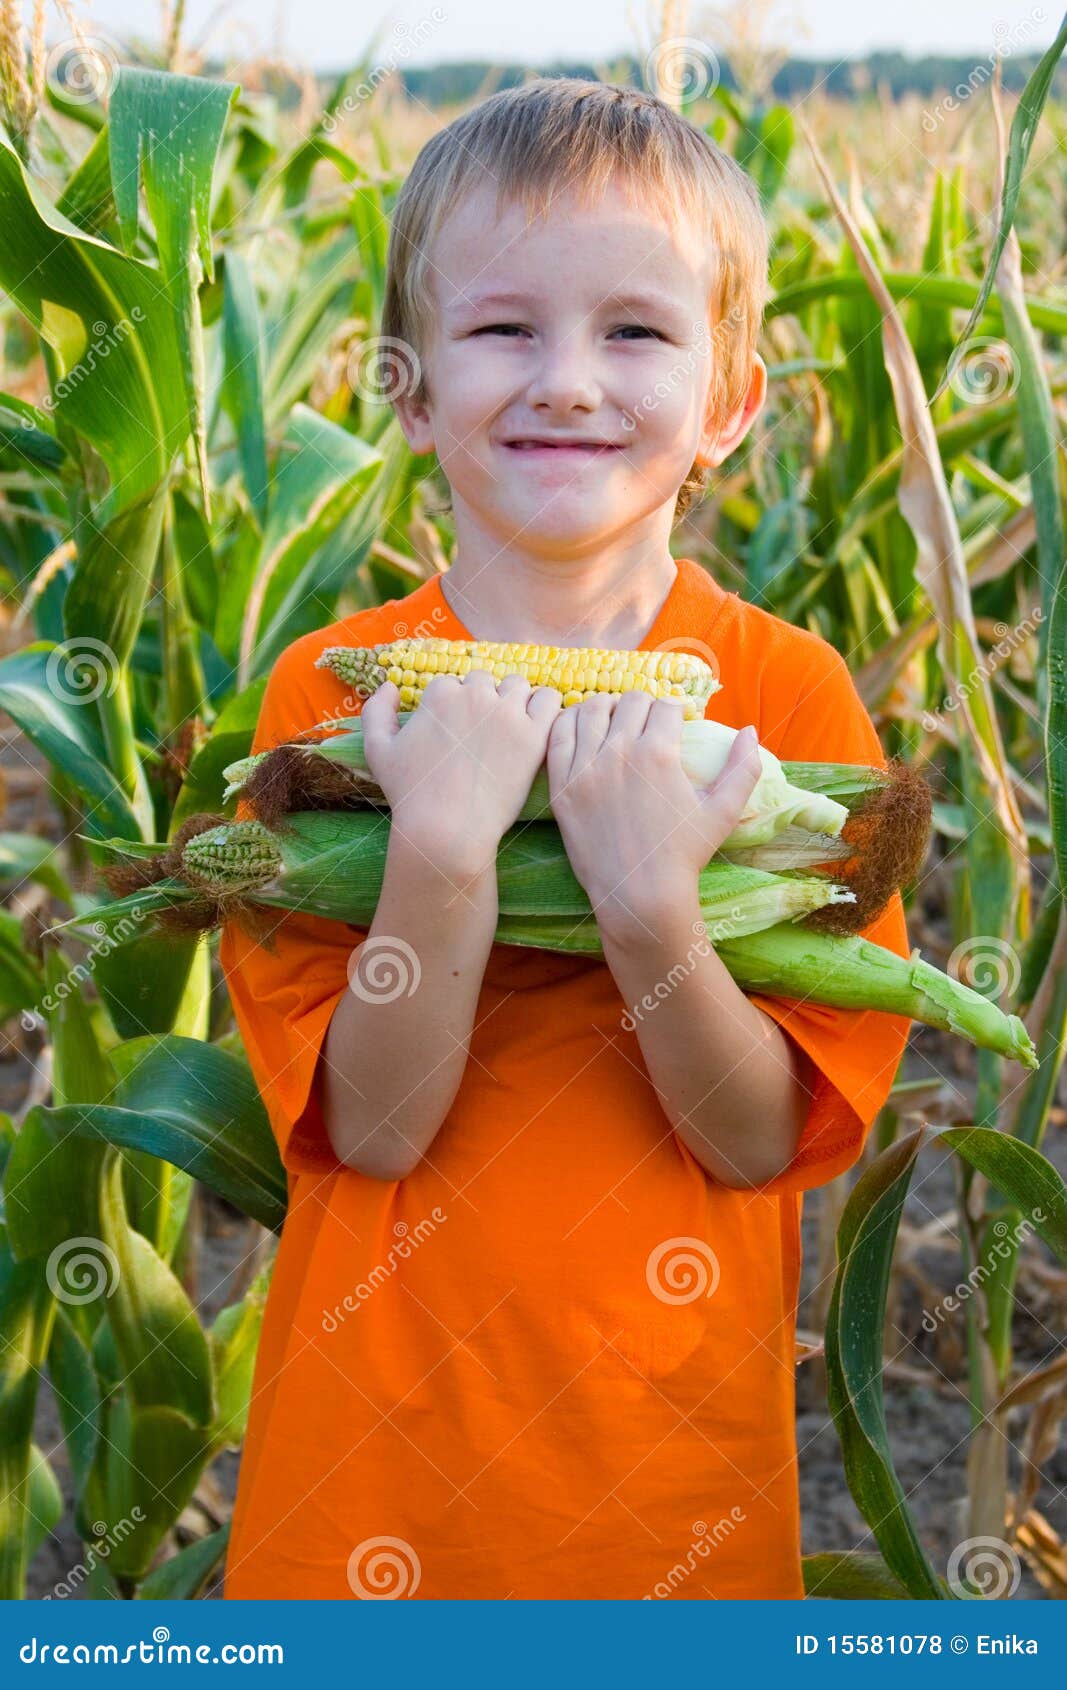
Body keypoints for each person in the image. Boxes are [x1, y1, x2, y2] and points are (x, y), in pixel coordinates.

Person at [219, 77, 911, 1600]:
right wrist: (443, 854)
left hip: (667, 1497)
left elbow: (749, 1140)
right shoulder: (331, 705)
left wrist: (653, 909)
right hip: (370, 1489)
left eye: (637, 333)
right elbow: (380, 1128)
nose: (570, 382)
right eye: (502, 329)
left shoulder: (784, 704)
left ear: (729, 401)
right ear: (407, 387)